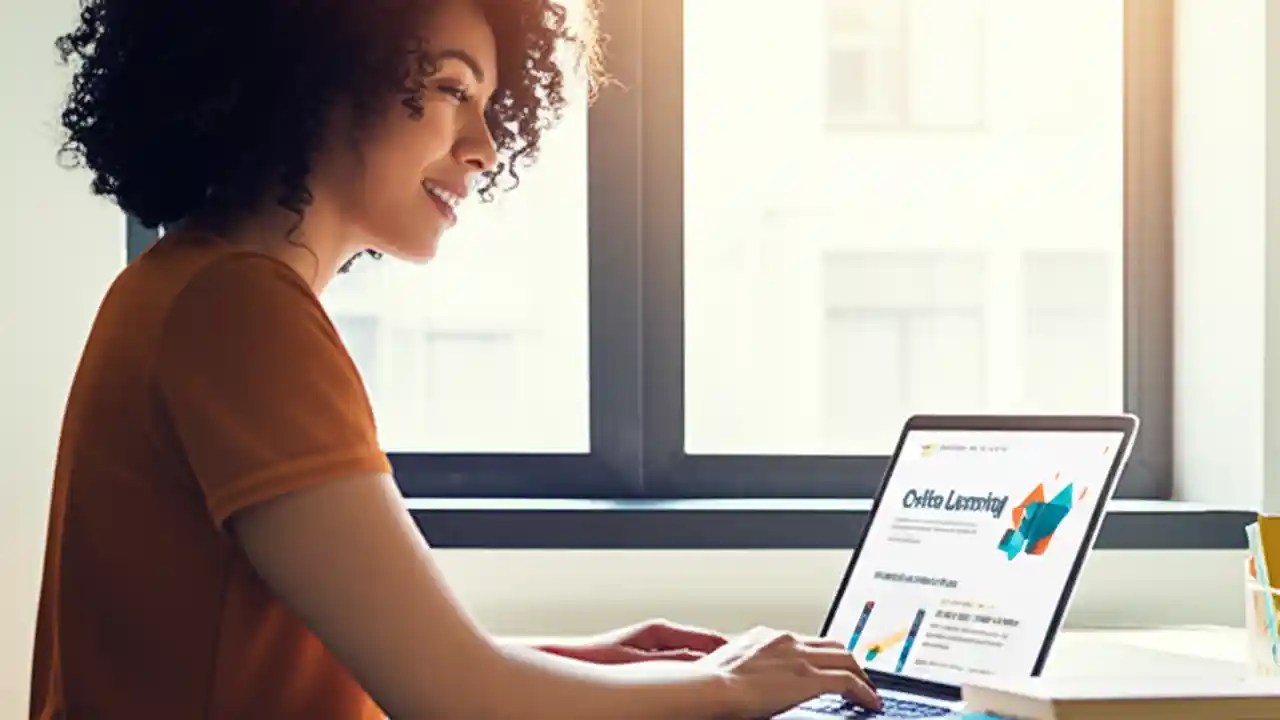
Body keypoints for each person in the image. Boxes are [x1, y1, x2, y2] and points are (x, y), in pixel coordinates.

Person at [31, 0, 881, 717]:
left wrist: (581, 660)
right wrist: (725, 683)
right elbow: (455, 698)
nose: (483, 145)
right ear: (324, 74)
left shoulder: (179, 284)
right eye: (450, 89)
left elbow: (372, 661)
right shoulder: (240, 312)